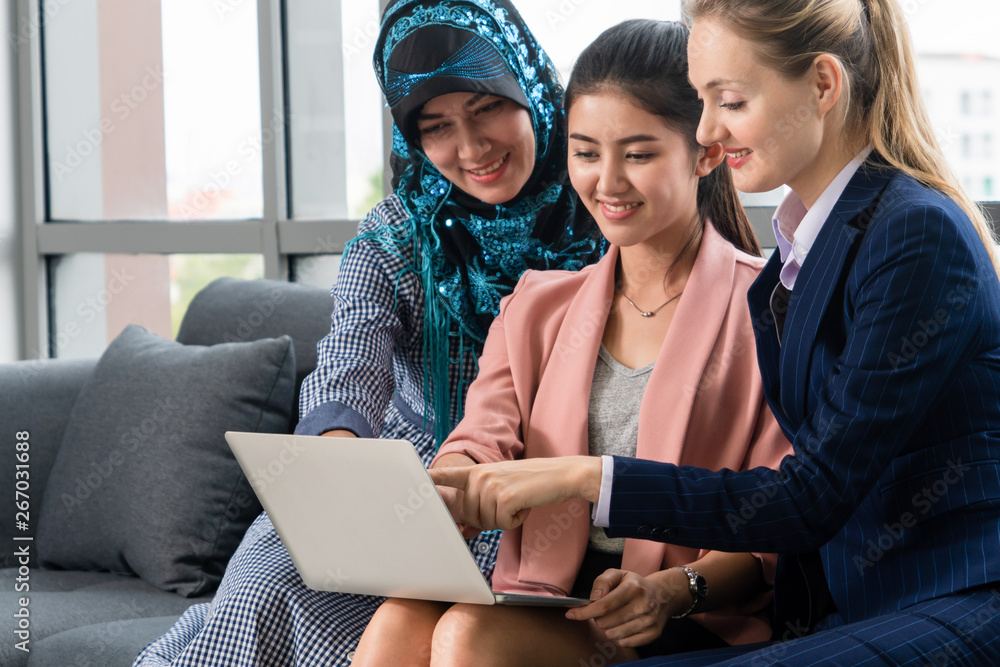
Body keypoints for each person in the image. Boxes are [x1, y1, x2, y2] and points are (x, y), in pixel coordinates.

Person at [430, 0, 1000, 664]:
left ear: (822, 85)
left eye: (728, 101)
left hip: (957, 594)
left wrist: (590, 479)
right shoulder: (809, 251)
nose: (707, 130)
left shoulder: (912, 234)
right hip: (858, 607)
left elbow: (809, 494)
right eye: (702, 101)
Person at [132, 1, 602, 666]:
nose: (470, 149)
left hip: (533, 502)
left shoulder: (605, 208)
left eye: (485, 107)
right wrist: (340, 465)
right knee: (266, 584)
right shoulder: (398, 235)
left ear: (523, 78)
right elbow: (348, 362)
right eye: (436, 127)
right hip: (398, 498)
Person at [352, 20, 792, 667]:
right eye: (586, 152)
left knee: (467, 635)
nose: (607, 182)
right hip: (546, 598)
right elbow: (481, 439)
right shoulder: (538, 304)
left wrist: (672, 589)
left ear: (704, 153)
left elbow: (775, 521)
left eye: (637, 154)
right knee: (401, 617)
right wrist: (451, 487)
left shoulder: (771, 311)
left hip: (681, 612)